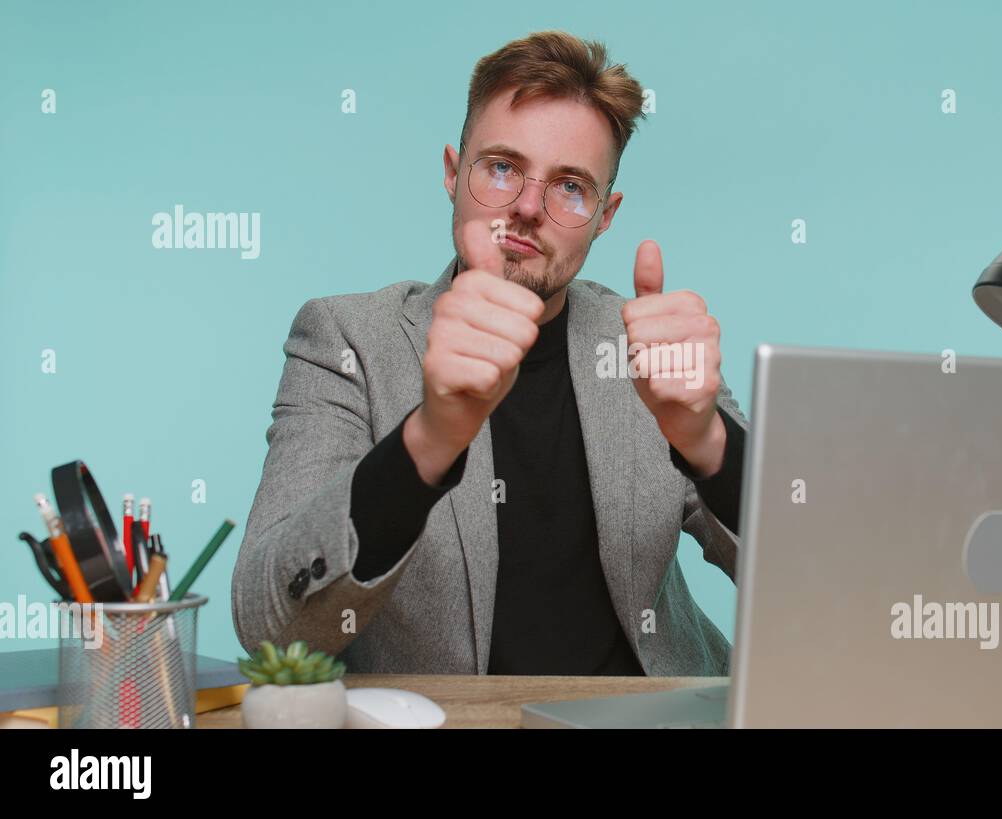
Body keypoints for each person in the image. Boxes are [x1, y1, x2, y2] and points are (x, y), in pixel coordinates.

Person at [231, 30, 747, 676]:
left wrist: (708, 442)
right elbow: (267, 622)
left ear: (605, 214)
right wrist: (428, 440)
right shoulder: (346, 340)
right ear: (453, 172)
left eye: (570, 186)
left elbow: (812, 578)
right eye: (502, 168)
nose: (528, 207)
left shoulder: (649, 340)